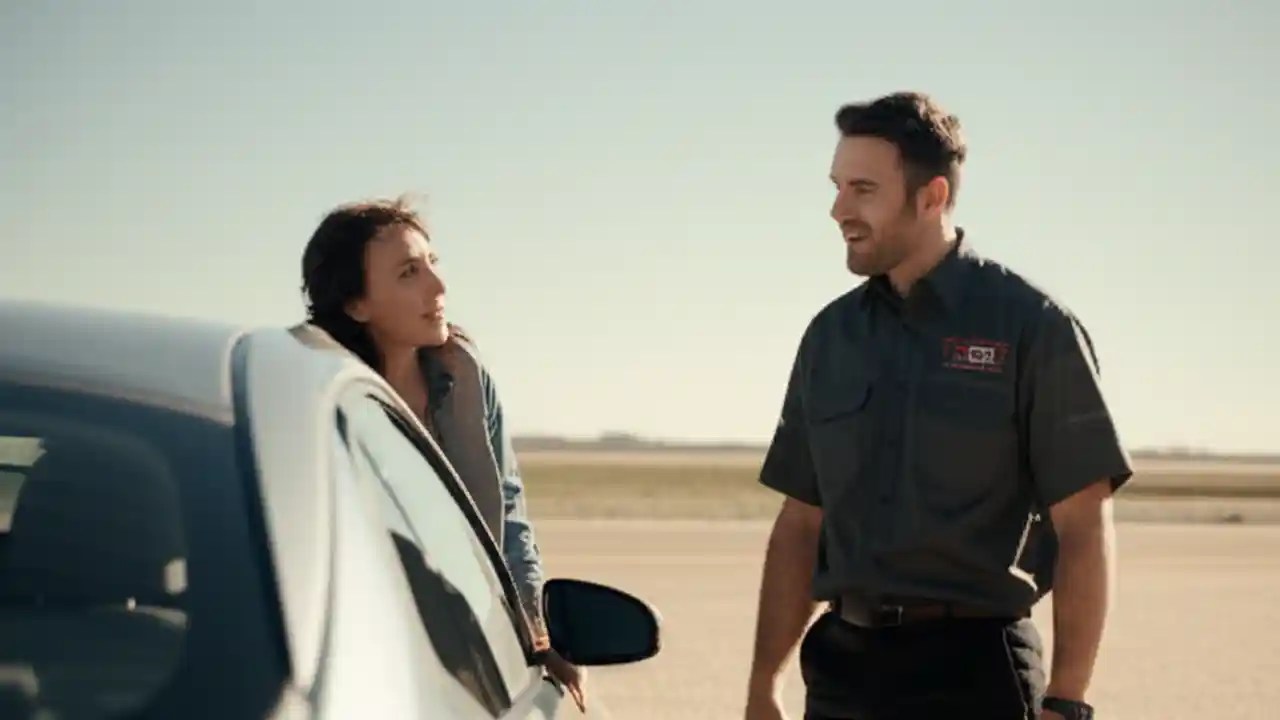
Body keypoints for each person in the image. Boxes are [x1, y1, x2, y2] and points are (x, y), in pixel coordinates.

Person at [743, 92, 1130, 720]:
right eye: (837, 186)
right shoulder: (830, 337)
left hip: (974, 676)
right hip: (843, 673)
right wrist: (765, 684)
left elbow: (1084, 526)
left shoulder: (1032, 328)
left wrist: (1069, 699)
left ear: (933, 197)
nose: (838, 209)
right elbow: (800, 523)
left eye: (863, 188)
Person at [298, 196, 586, 711]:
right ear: (356, 303)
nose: (439, 286)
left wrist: (535, 634)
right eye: (410, 272)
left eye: (433, 263)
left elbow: (509, 517)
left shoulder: (469, 384)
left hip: (475, 644)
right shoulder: (323, 399)